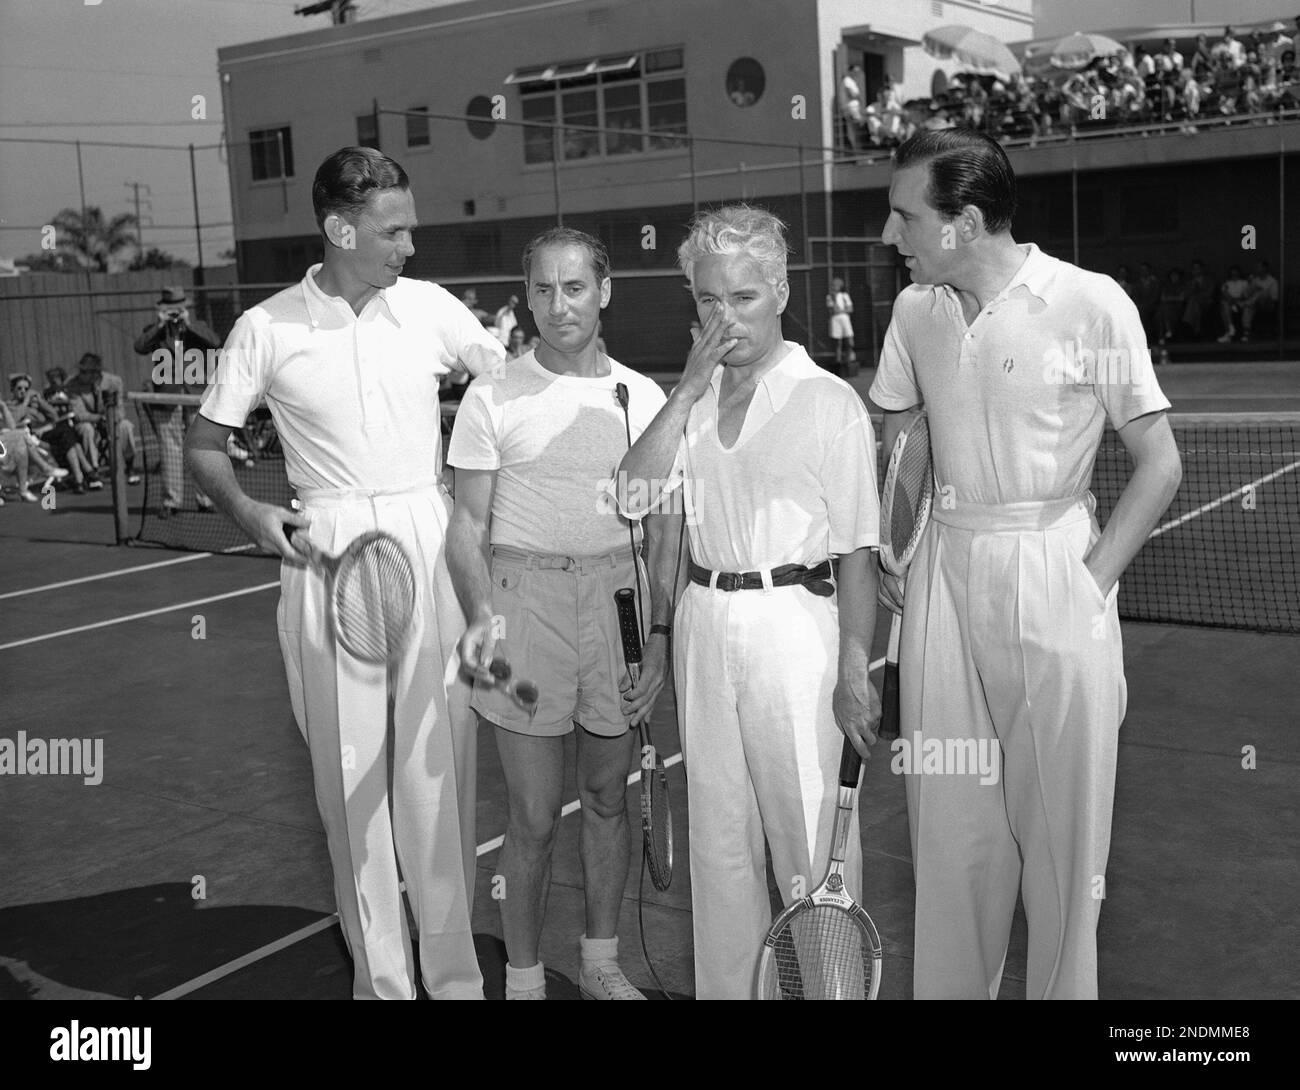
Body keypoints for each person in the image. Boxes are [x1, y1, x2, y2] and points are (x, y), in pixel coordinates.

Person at [185, 146, 506, 1000]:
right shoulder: (266, 327)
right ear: (341, 228)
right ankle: (383, 986)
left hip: (427, 531)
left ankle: (456, 981)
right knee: (351, 787)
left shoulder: (433, 307)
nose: (409, 246)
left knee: (437, 777)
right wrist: (254, 517)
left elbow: (509, 388)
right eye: (394, 230)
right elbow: (204, 447)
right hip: (325, 548)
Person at [872, 130, 1182, 1000]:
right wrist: (899, 543)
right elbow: (900, 435)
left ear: (965, 221)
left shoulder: (1092, 303)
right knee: (948, 830)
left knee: (1061, 847)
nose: (890, 236)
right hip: (942, 575)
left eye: (905, 217)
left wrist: (1083, 590)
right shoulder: (913, 313)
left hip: (1053, 566)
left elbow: (1160, 464)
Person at [616, 205, 882, 999]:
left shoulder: (829, 401)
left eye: (742, 297)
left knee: (808, 847)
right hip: (704, 626)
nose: (722, 316)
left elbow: (858, 552)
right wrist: (691, 384)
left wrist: (856, 669)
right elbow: (635, 498)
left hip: (797, 634)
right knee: (722, 850)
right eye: (706, 300)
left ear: (780, 291)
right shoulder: (688, 403)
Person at [446, 227, 677, 1001]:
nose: (557, 305)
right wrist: (480, 617)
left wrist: (659, 633)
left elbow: (664, 528)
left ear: (603, 291)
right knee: (536, 815)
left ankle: (602, 963)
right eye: (542, 290)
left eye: (573, 288)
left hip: (617, 603)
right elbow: (467, 530)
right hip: (524, 606)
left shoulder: (641, 396)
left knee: (610, 798)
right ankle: (523, 979)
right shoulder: (491, 395)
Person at [133, 287, 221, 514]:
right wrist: (160, 325)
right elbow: (140, 346)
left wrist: (188, 324)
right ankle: (172, 501)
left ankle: (205, 499)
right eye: (170, 308)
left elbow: (215, 342)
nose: (175, 312)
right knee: (169, 448)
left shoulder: (198, 327)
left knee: (200, 447)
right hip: (167, 393)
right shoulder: (155, 331)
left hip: (195, 392)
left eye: (178, 308)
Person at [1242, 260, 1279, 340]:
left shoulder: (1272, 281)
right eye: (1256, 267)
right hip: (1254, 304)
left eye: (1259, 267)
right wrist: (1250, 284)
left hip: (1267, 304)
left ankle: (1247, 303)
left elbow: (1274, 297)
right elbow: (1246, 295)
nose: (1256, 269)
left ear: (1264, 268)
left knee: (1262, 293)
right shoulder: (1254, 280)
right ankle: (1246, 332)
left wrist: (1261, 290)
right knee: (1248, 309)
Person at [826, 276, 856, 365]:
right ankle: (838, 362)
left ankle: (849, 360)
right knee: (838, 343)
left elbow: (850, 309)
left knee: (850, 341)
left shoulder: (845, 296)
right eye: (833, 285)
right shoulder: (829, 297)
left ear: (840, 286)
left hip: (845, 320)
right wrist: (834, 299)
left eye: (836, 285)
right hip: (835, 321)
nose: (834, 287)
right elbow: (833, 310)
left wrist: (842, 310)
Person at [1217, 265, 1252, 342]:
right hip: (1230, 305)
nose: (1234, 275)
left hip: (1240, 304)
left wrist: (1236, 300)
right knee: (1224, 305)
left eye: (1236, 273)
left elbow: (1246, 295)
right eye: (1232, 274)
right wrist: (1231, 300)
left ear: (1239, 273)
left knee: (1226, 306)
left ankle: (1229, 331)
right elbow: (1224, 295)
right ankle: (1230, 329)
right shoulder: (1226, 283)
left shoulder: (1244, 282)